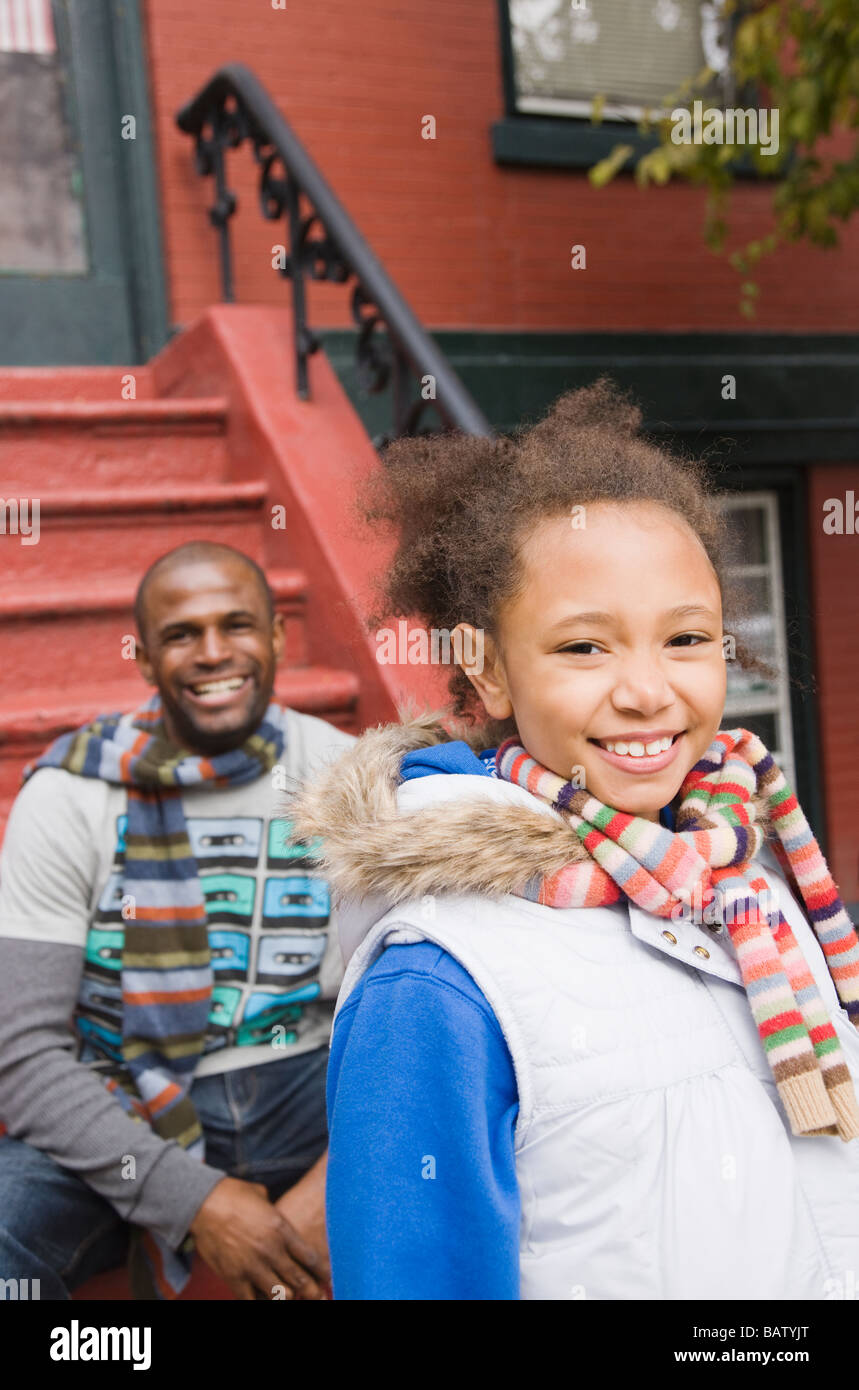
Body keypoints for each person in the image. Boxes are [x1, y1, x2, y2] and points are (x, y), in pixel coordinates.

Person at [289, 380, 859, 1301]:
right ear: (487, 667)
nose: (646, 691)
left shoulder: (742, 867)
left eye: (685, 637)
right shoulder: (436, 980)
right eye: (584, 648)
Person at [0, 541, 355, 1300]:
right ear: (144, 659)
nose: (214, 653)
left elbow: (413, 1017)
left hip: (308, 1089)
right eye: (182, 634)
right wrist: (192, 1200)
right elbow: (22, 1055)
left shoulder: (344, 775)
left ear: (279, 638)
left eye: (237, 625)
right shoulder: (69, 793)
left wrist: (340, 1180)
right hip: (122, 1093)